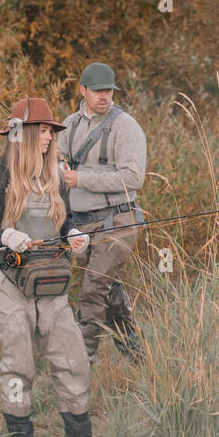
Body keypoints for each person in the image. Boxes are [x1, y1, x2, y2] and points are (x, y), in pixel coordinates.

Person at [0, 97, 92, 437]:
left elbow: (67, 219)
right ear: (22, 135)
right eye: (42, 131)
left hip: (53, 287)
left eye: (50, 132)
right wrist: (7, 236)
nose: (48, 138)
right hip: (11, 286)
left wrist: (74, 234)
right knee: (18, 366)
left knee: (73, 362)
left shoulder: (56, 175)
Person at [57, 62, 147, 362]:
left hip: (119, 220)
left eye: (108, 90)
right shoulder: (69, 125)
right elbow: (56, 163)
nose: (104, 97)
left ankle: (80, 368)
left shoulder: (126, 126)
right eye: (97, 91)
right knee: (109, 295)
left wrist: (82, 179)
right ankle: (137, 357)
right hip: (82, 222)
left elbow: (134, 178)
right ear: (82, 90)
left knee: (93, 289)